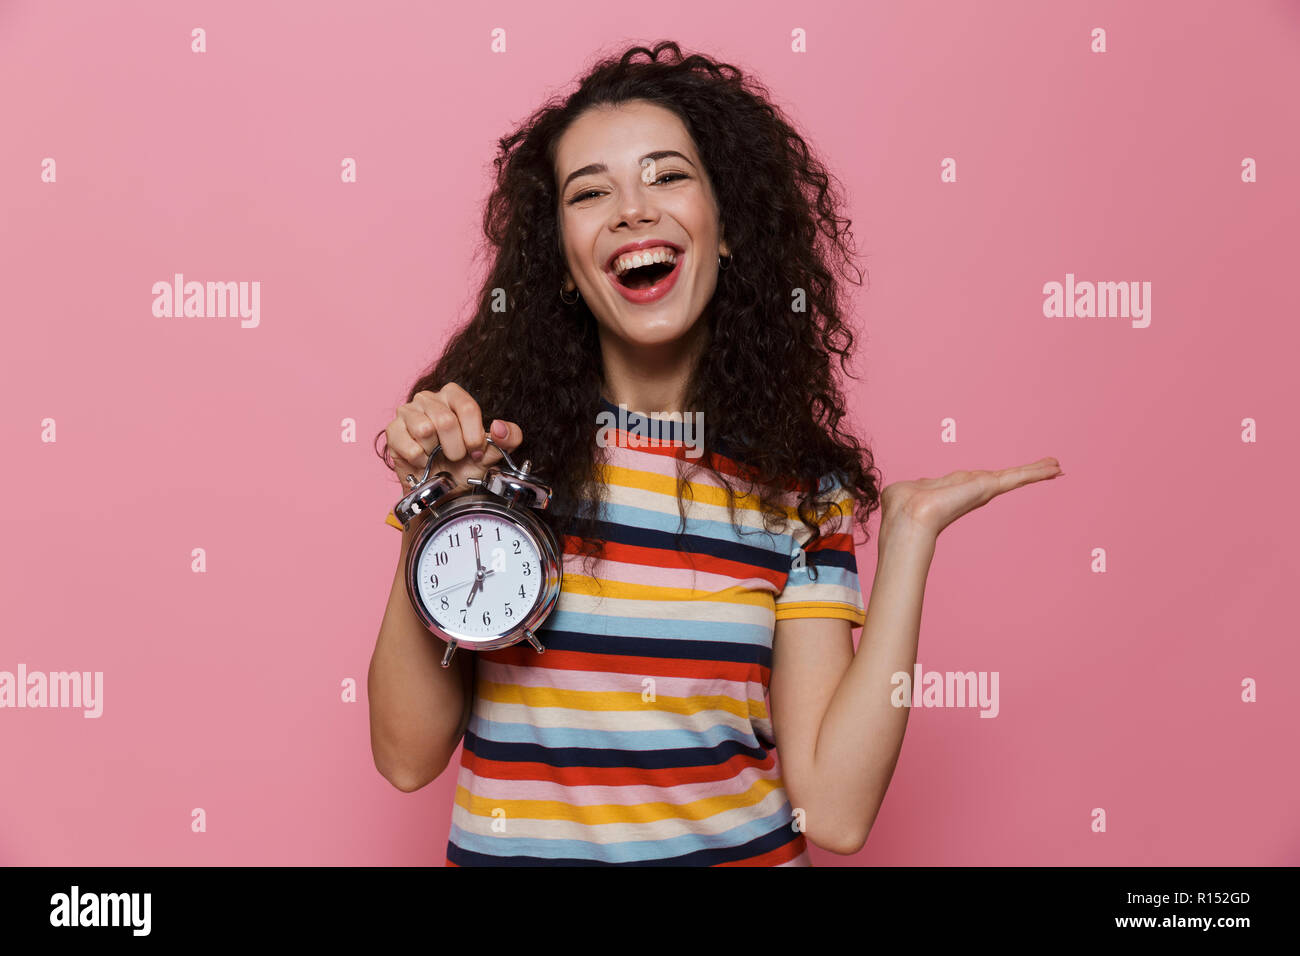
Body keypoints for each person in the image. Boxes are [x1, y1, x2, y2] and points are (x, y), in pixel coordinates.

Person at [368, 41, 1062, 866]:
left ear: (726, 230)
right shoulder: (501, 457)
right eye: (591, 192)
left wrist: (908, 537)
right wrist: (449, 508)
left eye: (667, 176)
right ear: (559, 263)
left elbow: (835, 815)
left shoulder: (800, 492)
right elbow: (406, 759)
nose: (632, 210)